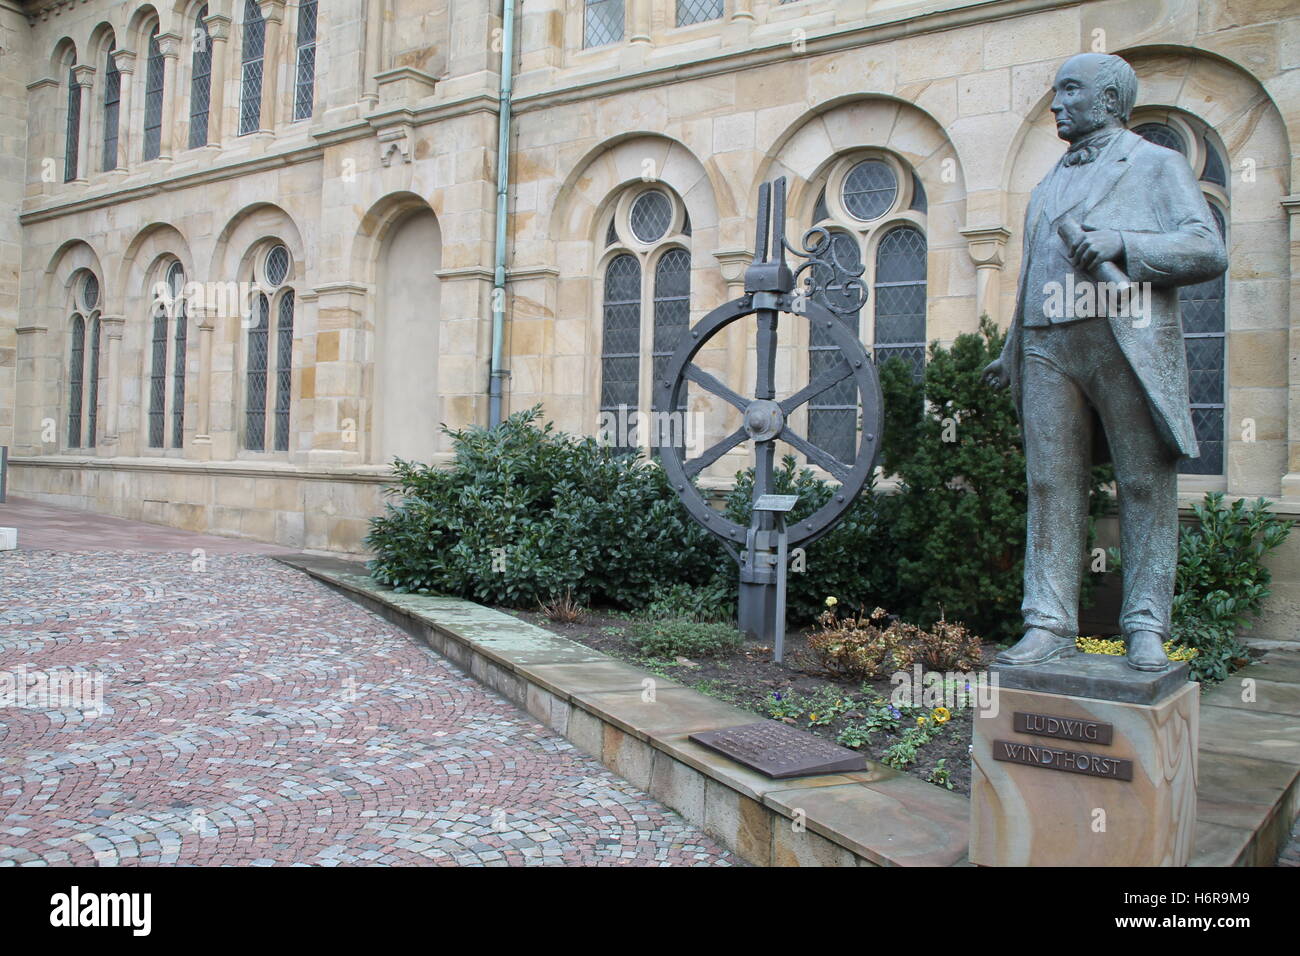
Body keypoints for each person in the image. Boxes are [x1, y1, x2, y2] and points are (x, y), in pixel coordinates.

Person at [982, 53, 1227, 671]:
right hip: (1046, 343)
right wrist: (1010, 351)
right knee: (1049, 483)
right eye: (1055, 90)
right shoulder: (1045, 184)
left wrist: (1125, 244)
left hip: (1123, 339)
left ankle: (1145, 625)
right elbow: (1030, 277)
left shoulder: (1156, 165)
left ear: (1112, 100)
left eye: (1069, 90)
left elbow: (1206, 249)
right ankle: (1048, 623)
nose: (1057, 103)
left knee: (1144, 482)